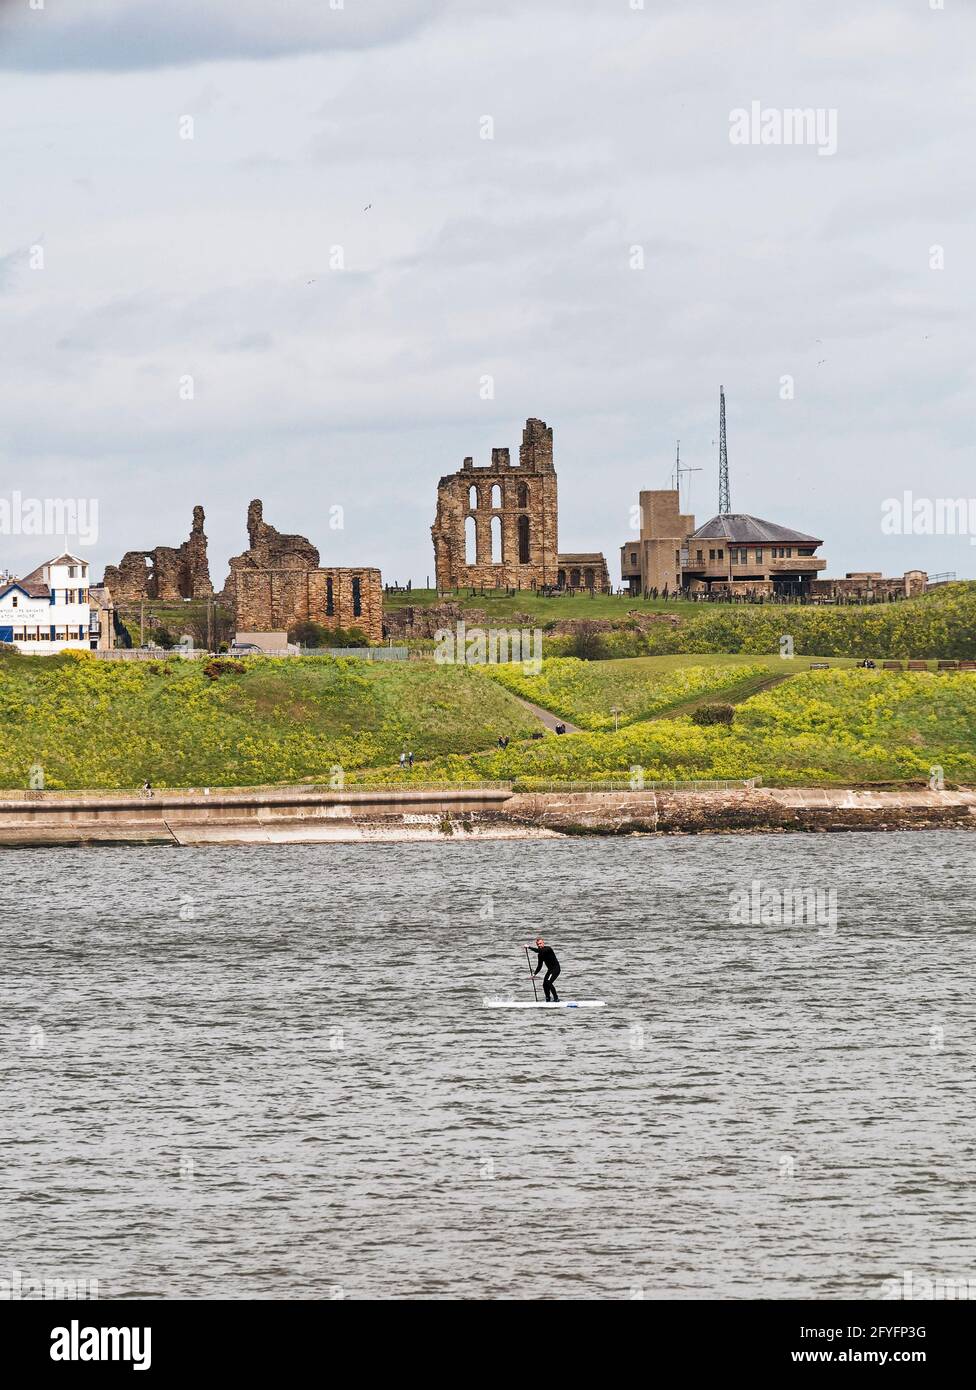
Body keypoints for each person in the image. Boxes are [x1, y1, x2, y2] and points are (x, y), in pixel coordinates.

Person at [531, 936, 560, 1002]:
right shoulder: (540, 954)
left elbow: (538, 950)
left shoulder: (548, 949)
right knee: (544, 984)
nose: (539, 945)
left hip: (556, 969)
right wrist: (534, 974)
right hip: (550, 970)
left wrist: (529, 947)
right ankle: (548, 999)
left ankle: (556, 998)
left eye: (540, 943)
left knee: (548, 982)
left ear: (543, 943)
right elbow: (539, 966)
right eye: (538, 944)